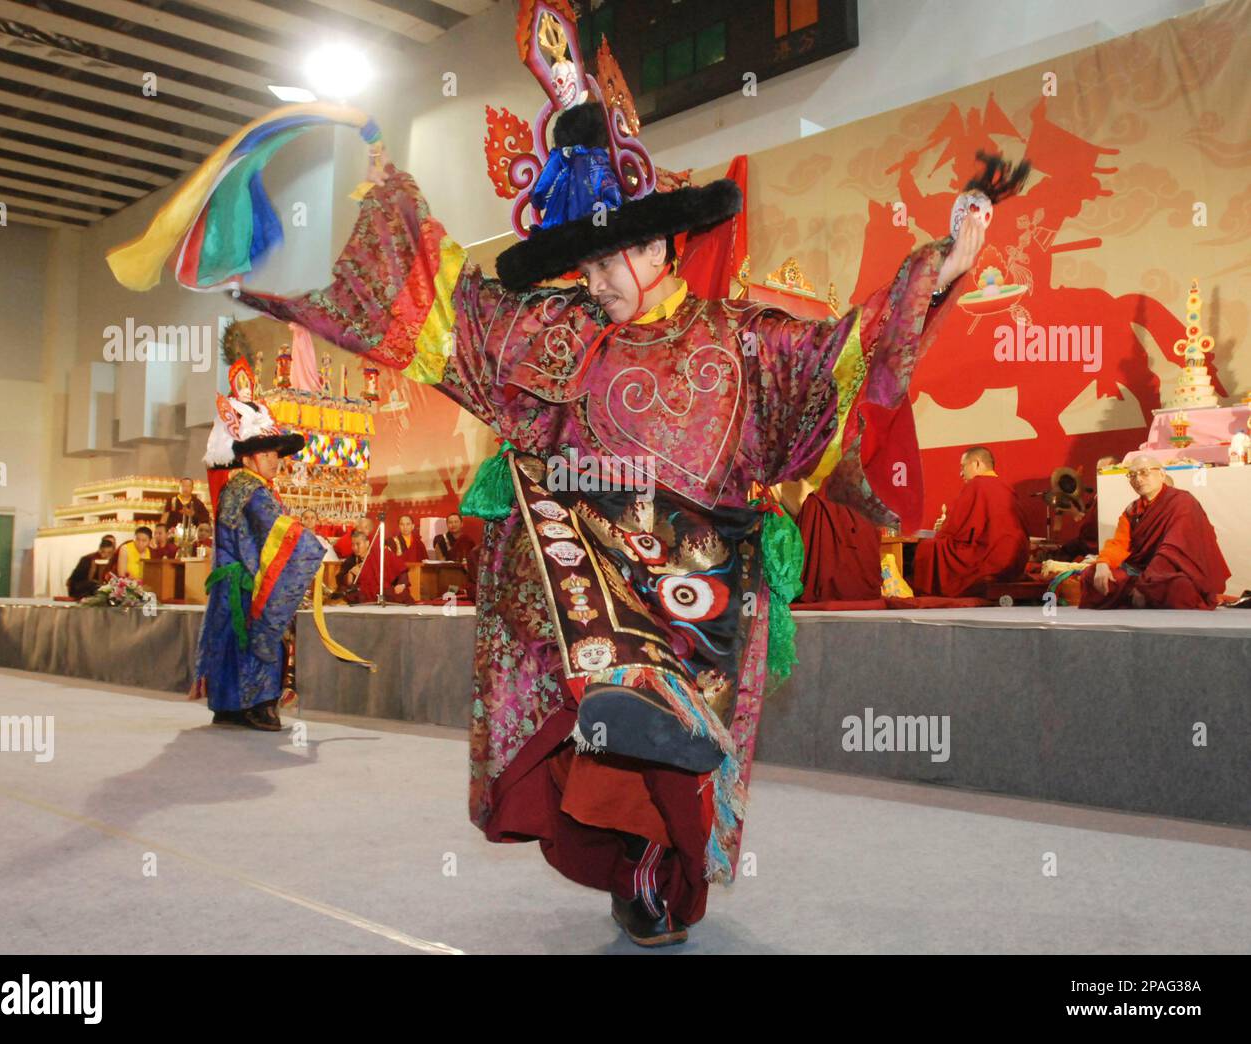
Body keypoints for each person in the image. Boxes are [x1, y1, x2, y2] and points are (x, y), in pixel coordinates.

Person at [112, 87, 1018, 943]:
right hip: (591, 592)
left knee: (674, 775)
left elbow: (847, 360)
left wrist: (942, 267)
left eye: (613, 255)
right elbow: (442, 308)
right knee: (587, 660)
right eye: (585, 260)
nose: (598, 276)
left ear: (664, 247)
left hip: (698, 591)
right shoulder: (561, 339)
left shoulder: (745, 341)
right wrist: (362, 193)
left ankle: (657, 867)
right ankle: (633, 805)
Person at [189, 388, 325, 731]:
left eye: (276, 453)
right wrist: (311, 544)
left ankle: (228, 705)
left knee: (230, 639)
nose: (274, 459)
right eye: (266, 453)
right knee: (259, 638)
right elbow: (279, 530)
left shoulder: (237, 486)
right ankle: (258, 704)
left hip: (228, 581)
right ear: (247, 457)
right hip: (248, 582)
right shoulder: (253, 490)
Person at [1079, 455, 1230, 610]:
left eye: (1144, 472)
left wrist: (1145, 584)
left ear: (1162, 474)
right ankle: (1140, 597)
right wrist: (1103, 563)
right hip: (1141, 573)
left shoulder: (1183, 502)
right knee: (1090, 576)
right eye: (1132, 475)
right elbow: (1119, 544)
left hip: (1171, 571)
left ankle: (1137, 596)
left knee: (1179, 587)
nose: (1138, 479)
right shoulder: (1132, 510)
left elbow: (1172, 549)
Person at [913, 447, 1029, 598]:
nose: (961, 473)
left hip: (990, 560)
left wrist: (941, 531)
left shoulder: (977, 485)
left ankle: (928, 593)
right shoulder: (1006, 488)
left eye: (963, 467)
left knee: (928, 548)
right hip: (1015, 561)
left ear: (977, 464)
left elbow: (953, 530)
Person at [435, 511, 480, 588]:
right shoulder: (441, 540)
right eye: (450, 522)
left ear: (461, 524)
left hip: (465, 574)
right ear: (447, 525)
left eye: (456, 522)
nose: (453, 525)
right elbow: (440, 561)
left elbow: (474, 561)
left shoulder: (468, 540)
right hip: (447, 575)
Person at [337, 530, 371, 602]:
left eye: (358, 544)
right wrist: (349, 575)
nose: (355, 548)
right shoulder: (351, 560)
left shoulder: (375, 557)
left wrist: (363, 574)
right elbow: (340, 578)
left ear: (367, 543)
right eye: (353, 545)